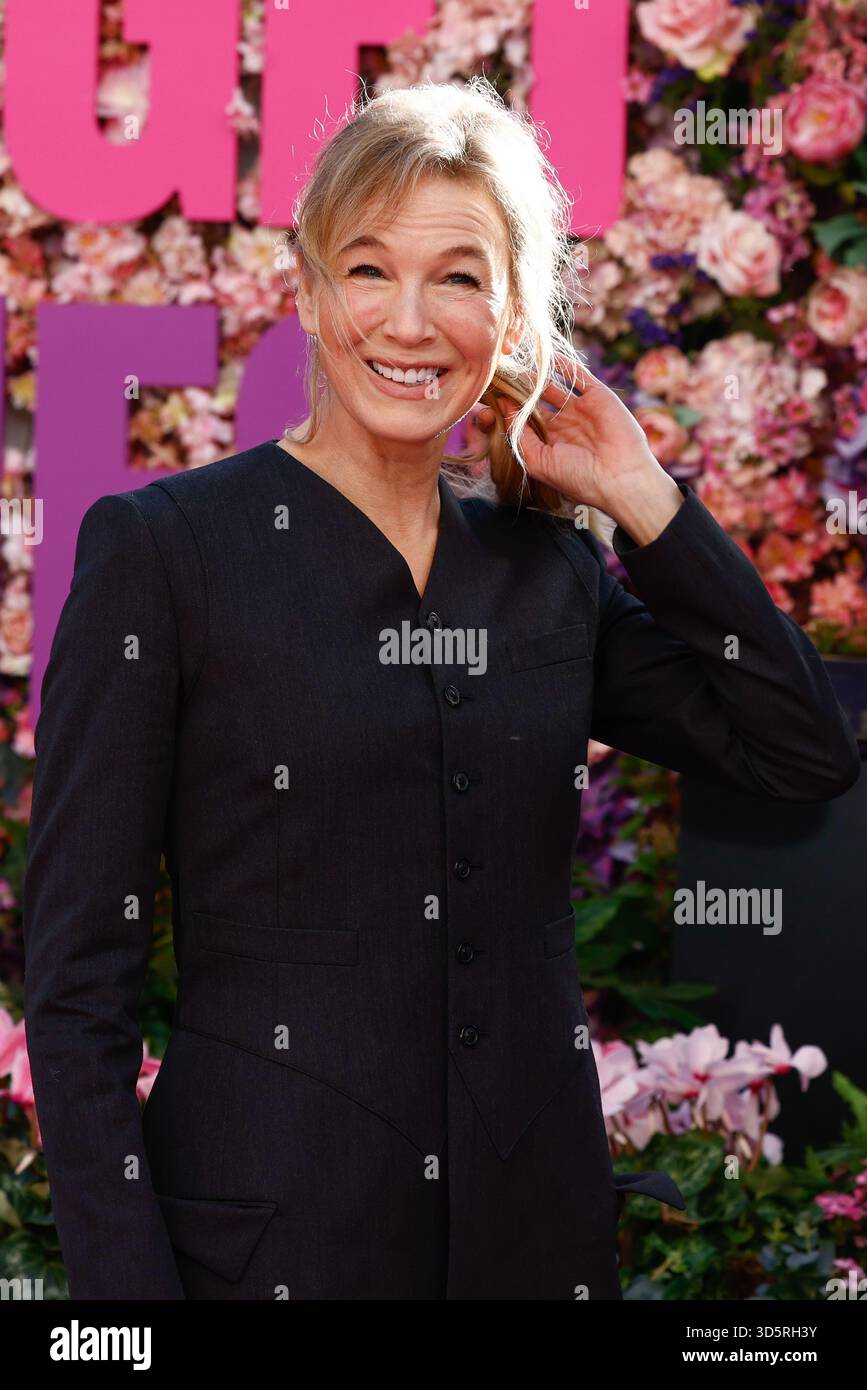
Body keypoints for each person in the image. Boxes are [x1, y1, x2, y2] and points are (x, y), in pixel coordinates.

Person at [23, 78, 860, 1301]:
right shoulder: (167, 553)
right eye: (368, 268)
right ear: (307, 292)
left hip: (532, 1242)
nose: (408, 322)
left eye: (460, 277)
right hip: (262, 1250)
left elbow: (800, 747)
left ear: (513, 311)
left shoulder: (550, 568)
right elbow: (78, 978)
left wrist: (644, 499)